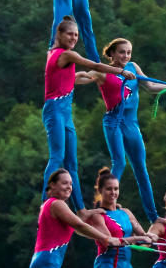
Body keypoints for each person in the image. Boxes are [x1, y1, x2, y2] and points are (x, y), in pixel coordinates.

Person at [40, 17, 133, 210]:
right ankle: (45, 204)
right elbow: (96, 66)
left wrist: (81, 78)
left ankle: (80, 209)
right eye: (70, 34)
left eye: (76, 35)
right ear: (59, 34)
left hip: (65, 113)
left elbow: (68, 78)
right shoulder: (65, 54)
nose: (74, 38)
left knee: (72, 163)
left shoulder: (60, 55)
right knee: (57, 157)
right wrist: (120, 72)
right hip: (55, 110)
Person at [98, 38, 166, 217]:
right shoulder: (104, 71)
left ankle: (153, 216)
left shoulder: (133, 67)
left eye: (128, 52)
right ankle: (106, 206)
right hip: (113, 122)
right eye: (122, 52)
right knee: (119, 162)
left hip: (131, 123)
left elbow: (150, 87)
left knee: (141, 170)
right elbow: (86, 76)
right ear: (112, 53)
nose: (125, 56)